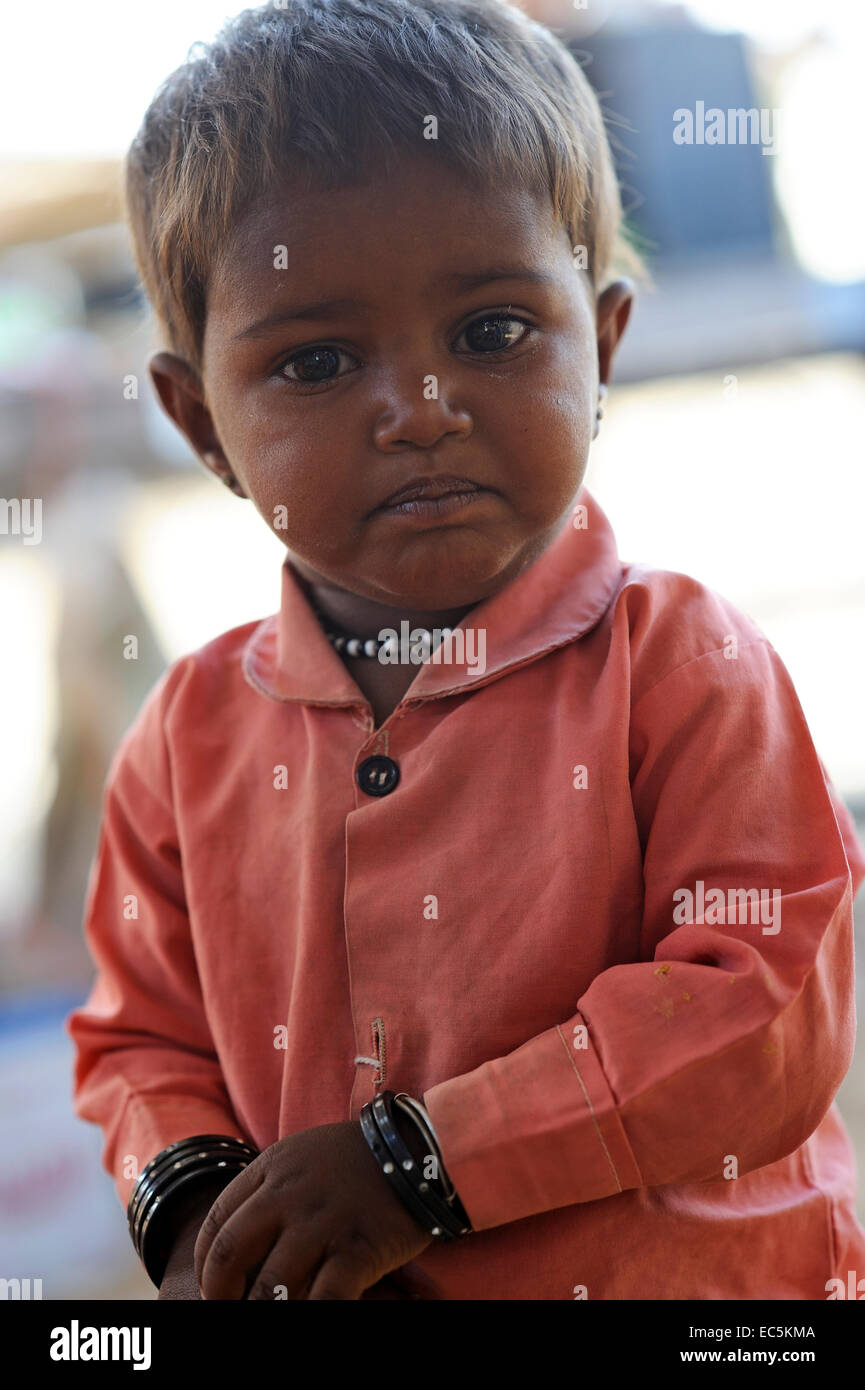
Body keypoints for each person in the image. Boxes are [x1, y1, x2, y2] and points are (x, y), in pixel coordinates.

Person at [66, 0, 865, 1300]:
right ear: (201, 424)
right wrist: (212, 1206)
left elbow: (756, 1011)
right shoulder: (185, 738)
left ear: (598, 345)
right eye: (317, 361)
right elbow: (140, 1038)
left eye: (492, 333)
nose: (419, 412)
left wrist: (417, 1164)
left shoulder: (684, 665)